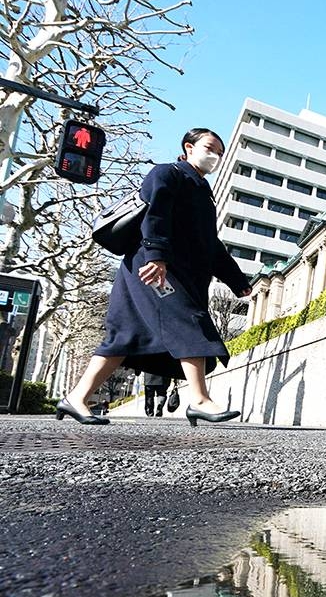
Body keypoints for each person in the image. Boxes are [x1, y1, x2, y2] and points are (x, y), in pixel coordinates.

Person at [55, 128, 251, 427]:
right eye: (210, 148)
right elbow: (154, 215)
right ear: (188, 147)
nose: (215, 156)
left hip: (171, 272)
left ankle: (76, 397)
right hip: (154, 269)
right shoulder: (167, 173)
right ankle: (200, 400)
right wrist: (155, 256)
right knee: (190, 320)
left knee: (124, 337)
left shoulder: (203, 191)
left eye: (220, 153)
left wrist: (237, 281)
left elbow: (210, 244)